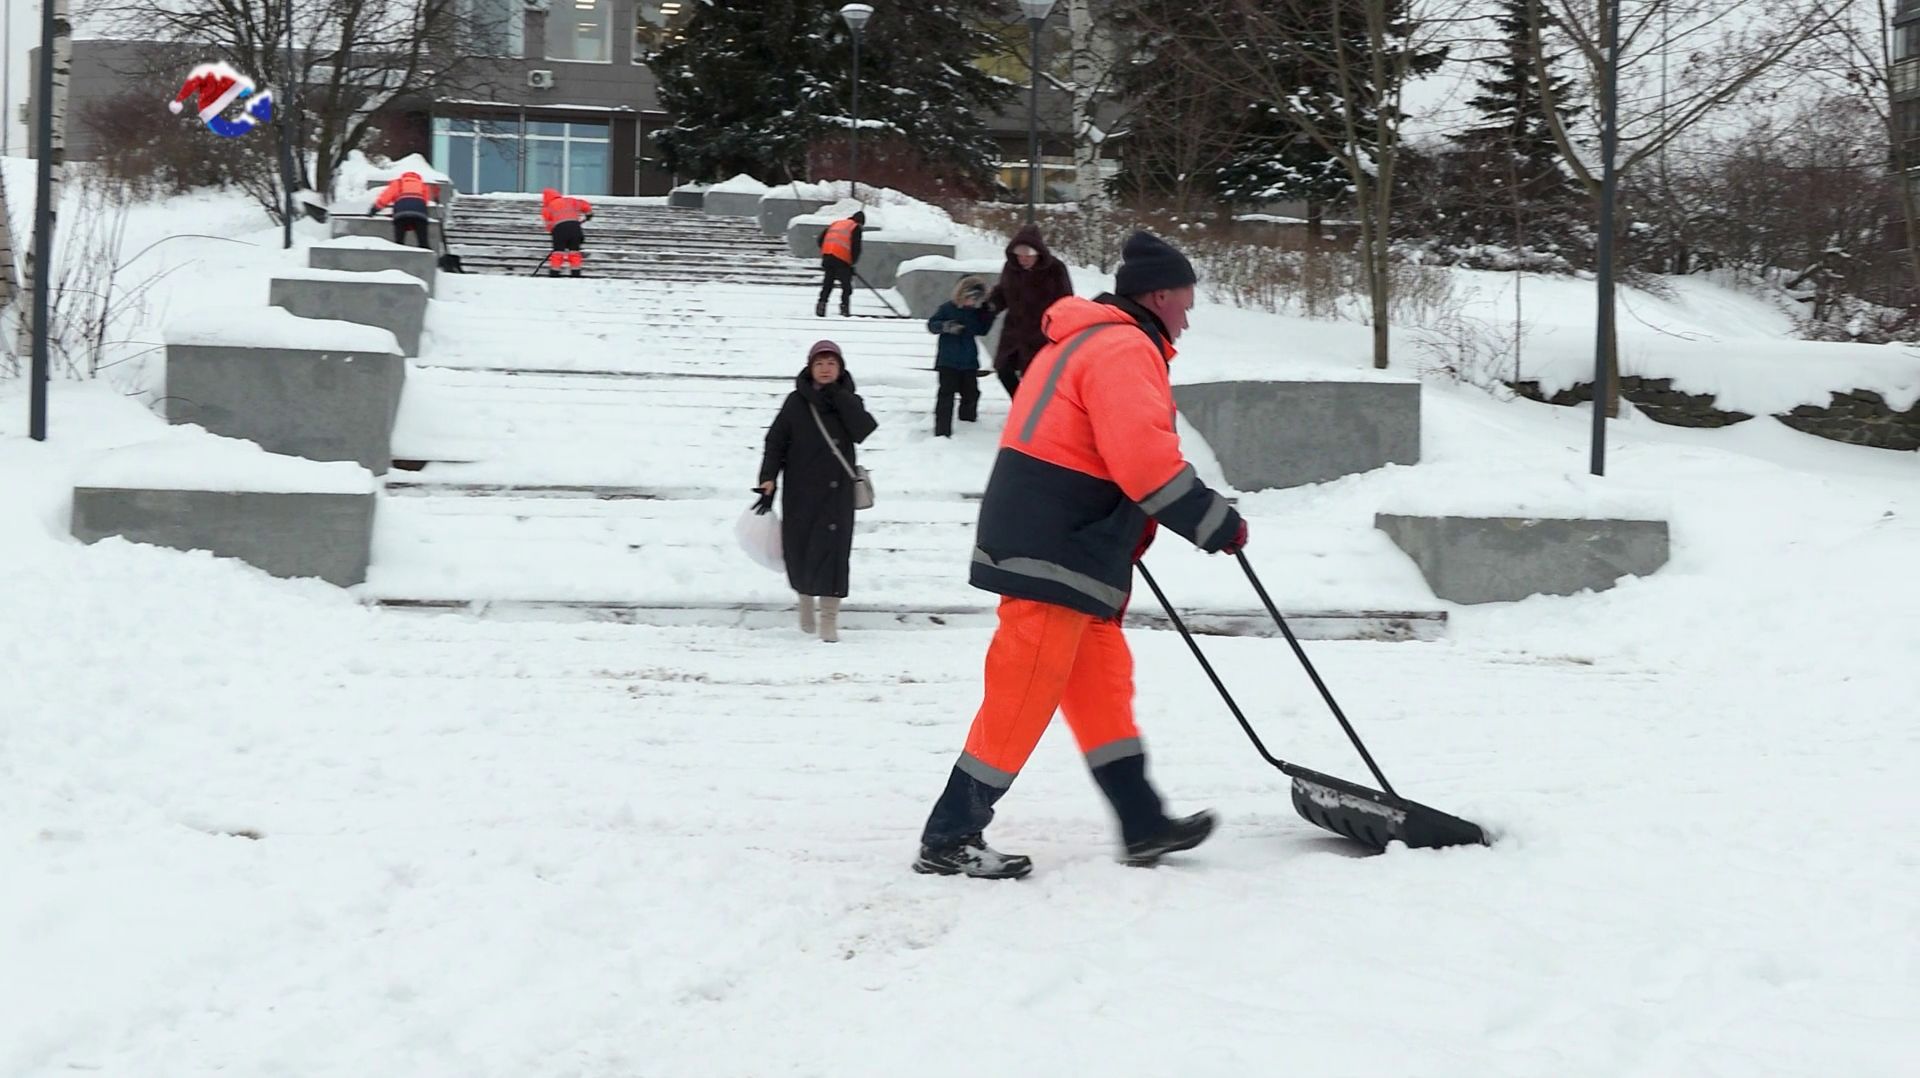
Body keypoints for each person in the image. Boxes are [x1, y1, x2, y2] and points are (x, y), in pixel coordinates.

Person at [913, 231, 1248, 880]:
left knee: (1101, 687)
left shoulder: (1088, 340)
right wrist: (1214, 521)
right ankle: (950, 834)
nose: (1188, 315)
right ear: (1159, 294)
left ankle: (1142, 822)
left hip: (1069, 540)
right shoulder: (1123, 347)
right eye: (1186, 300)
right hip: (1056, 547)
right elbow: (1144, 462)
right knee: (1023, 693)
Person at [757, 339, 879, 643]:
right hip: (800, 491)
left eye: (831, 364)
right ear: (810, 368)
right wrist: (768, 477)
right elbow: (776, 442)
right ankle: (805, 606)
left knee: (834, 553)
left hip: (837, 493)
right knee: (800, 550)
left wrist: (840, 397)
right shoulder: (795, 402)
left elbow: (863, 430)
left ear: (840, 368)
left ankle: (829, 620)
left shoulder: (848, 399)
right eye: (819, 364)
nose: (825, 369)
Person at [983, 223, 1073, 398]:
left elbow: (1066, 300)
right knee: (1004, 369)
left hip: (1041, 333)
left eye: (1028, 256)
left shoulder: (1055, 269)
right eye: (1019, 256)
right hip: (1014, 331)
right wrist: (992, 305)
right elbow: (1003, 291)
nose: (1023, 260)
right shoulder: (1011, 268)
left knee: (1035, 375)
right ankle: (1022, 403)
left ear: (1038, 253)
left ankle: (1033, 407)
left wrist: (1059, 327)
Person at [926, 276, 995, 437]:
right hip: (947, 361)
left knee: (971, 393)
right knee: (946, 395)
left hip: (969, 361)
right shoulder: (947, 308)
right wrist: (946, 326)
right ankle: (942, 430)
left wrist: (989, 313)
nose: (972, 302)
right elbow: (931, 325)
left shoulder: (976, 313)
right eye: (970, 298)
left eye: (976, 300)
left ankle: (968, 424)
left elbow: (982, 330)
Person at [815, 210, 866, 318]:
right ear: (860, 222)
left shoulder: (836, 223)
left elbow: (820, 240)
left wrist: (828, 250)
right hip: (842, 259)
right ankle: (844, 308)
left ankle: (821, 305)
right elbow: (856, 247)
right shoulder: (855, 227)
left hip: (828, 256)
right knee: (846, 286)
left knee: (828, 284)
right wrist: (852, 263)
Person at [372, 171, 435, 250]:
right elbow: (425, 201)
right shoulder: (422, 185)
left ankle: (399, 251)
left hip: (401, 213)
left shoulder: (398, 182)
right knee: (423, 241)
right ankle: (425, 252)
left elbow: (387, 196)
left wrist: (376, 208)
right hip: (420, 213)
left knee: (399, 241)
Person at [541, 187, 594, 278]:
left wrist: (554, 234)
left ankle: (555, 273)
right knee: (574, 251)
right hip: (575, 228)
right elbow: (584, 205)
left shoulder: (547, 208)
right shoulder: (570, 201)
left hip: (559, 229)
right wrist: (589, 214)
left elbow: (549, 224)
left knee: (558, 253)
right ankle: (576, 273)